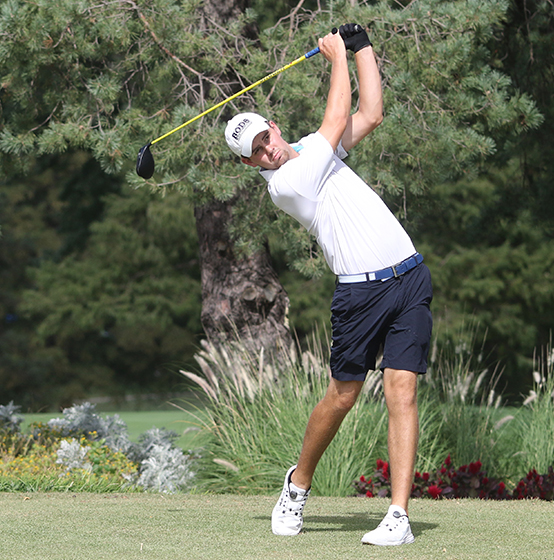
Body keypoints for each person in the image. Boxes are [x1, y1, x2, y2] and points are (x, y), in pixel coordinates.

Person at [223, 24, 432, 546]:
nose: (267, 150)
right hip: (360, 295)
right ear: (250, 165)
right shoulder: (288, 184)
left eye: (264, 137)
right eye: (255, 151)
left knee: (402, 392)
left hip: (409, 275)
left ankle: (399, 517)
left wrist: (362, 48)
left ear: (273, 126)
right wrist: (336, 56)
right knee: (343, 396)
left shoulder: (313, 149)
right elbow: (338, 115)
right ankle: (297, 484)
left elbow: (370, 114)